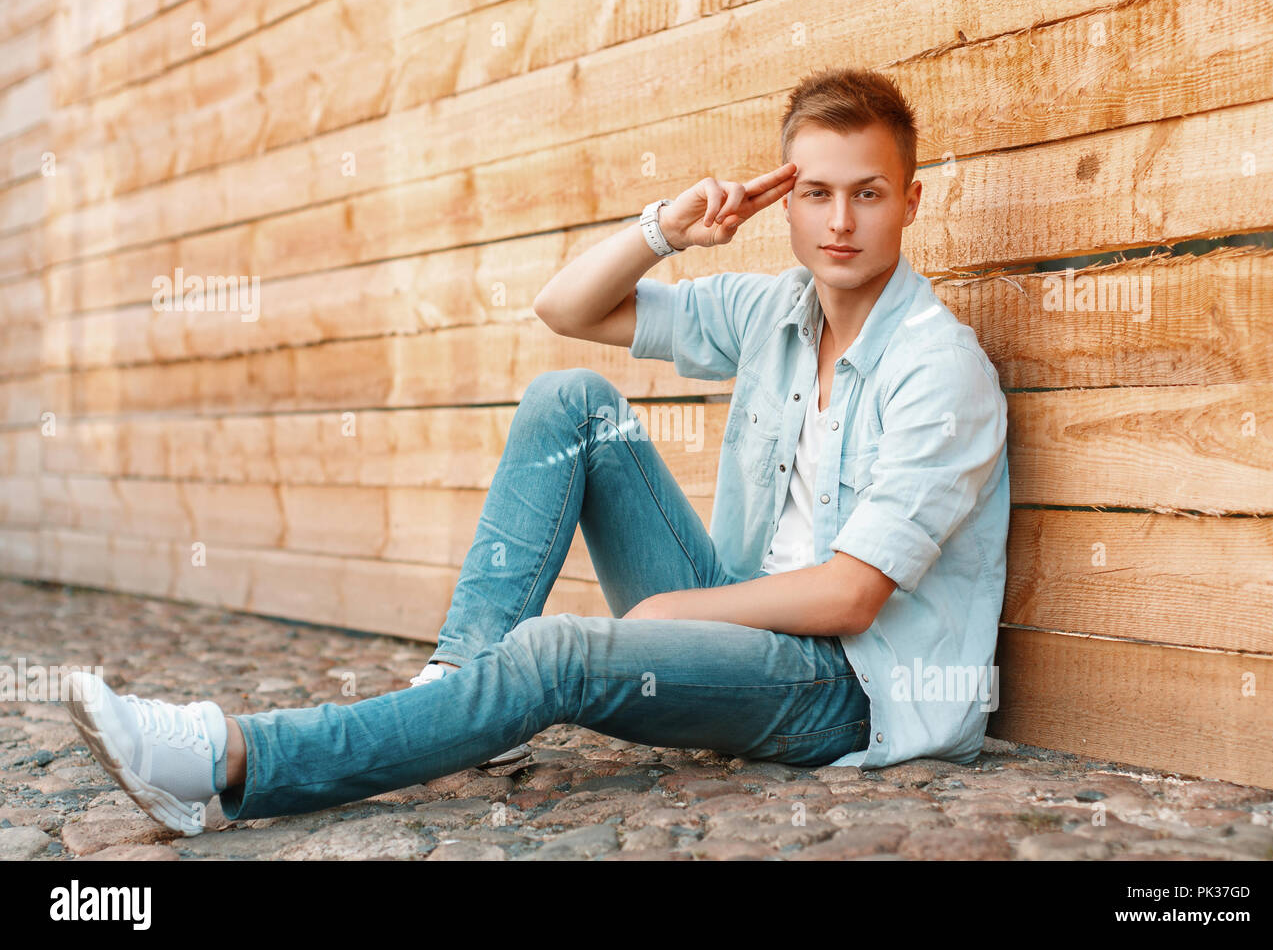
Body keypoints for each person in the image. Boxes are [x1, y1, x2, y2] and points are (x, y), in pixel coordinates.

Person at [61, 67, 1009, 836]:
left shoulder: (937, 367)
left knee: (557, 653)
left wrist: (684, 606)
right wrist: (664, 231)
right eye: (817, 194)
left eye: (868, 194)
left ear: (911, 201)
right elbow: (569, 312)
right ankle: (465, 686)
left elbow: (850, 595)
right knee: (571, 401)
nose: (841, 223)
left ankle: (227, 757)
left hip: (845, 689)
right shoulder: (773, 312)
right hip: (738, 623)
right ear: (787, 205)